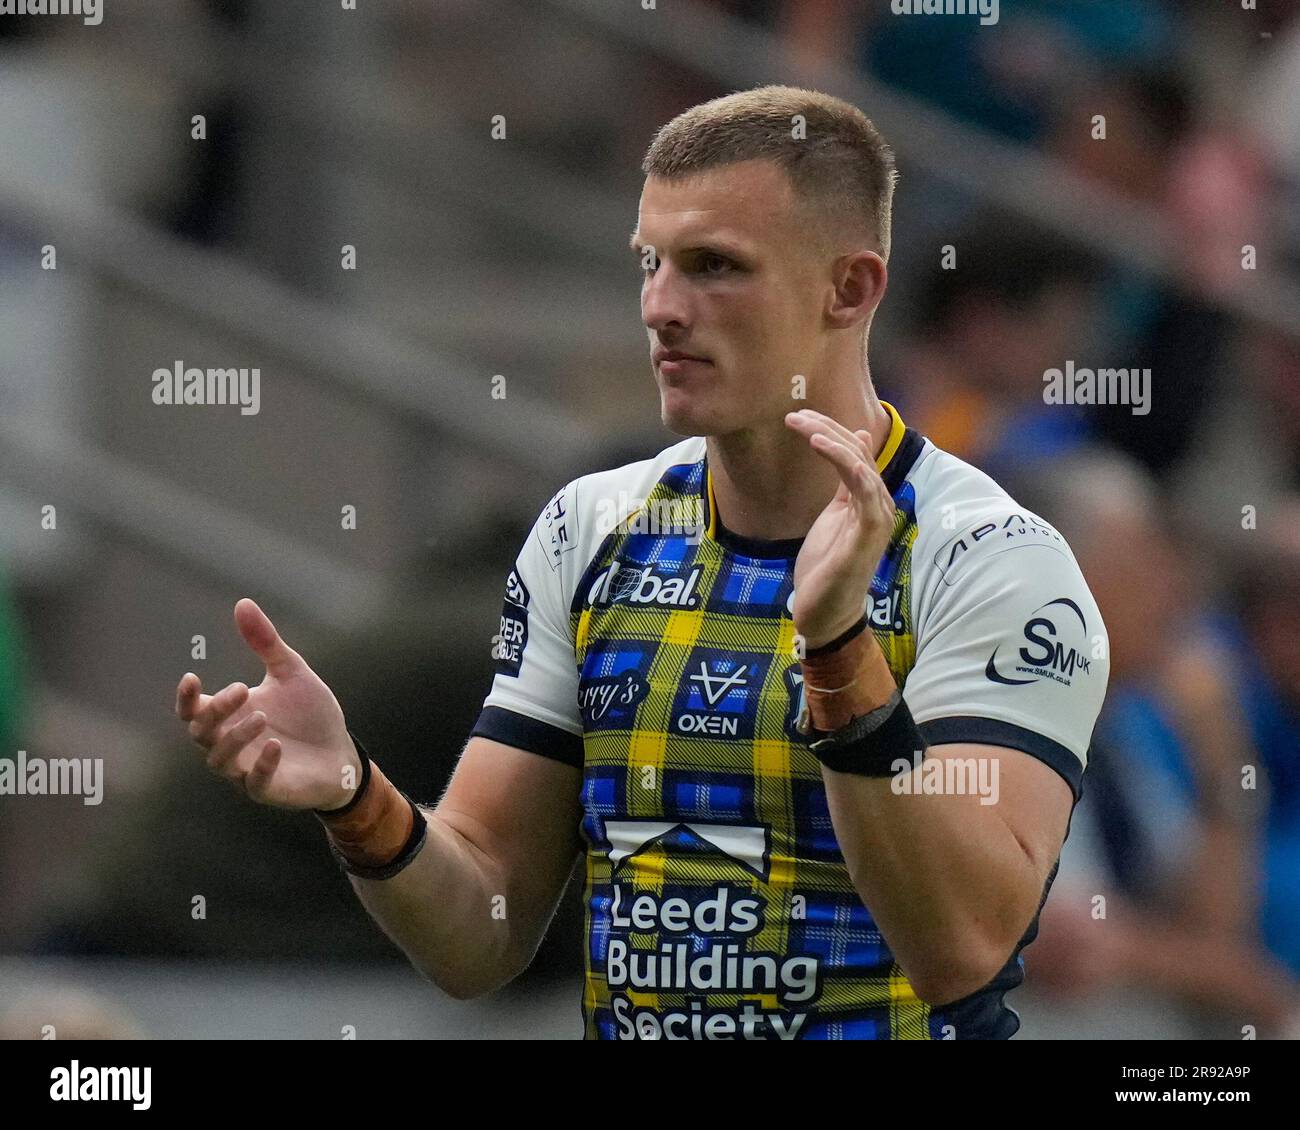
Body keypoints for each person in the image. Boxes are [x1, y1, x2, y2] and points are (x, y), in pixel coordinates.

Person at [174, 86, 1110, 1040]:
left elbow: (964, 947)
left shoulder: (993, 562)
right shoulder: (593, 527)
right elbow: (480, 936)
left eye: (715, 267)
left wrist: (836, 650)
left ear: (851, 289)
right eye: (651, 264)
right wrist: (354, 795)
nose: (662, 307)